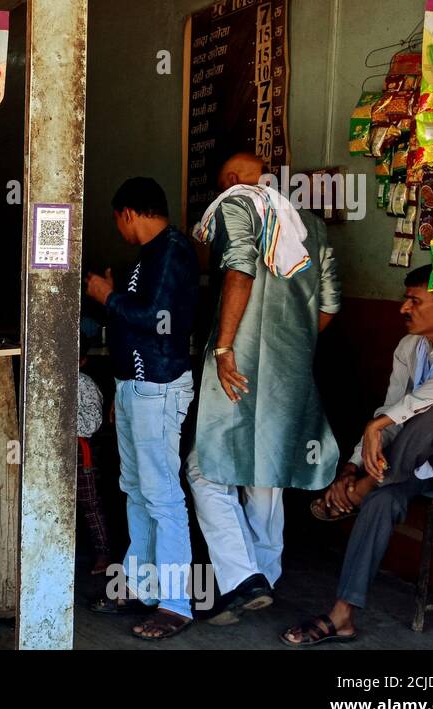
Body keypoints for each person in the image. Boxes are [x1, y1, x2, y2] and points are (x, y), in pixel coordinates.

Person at [281, 266, 433, 646]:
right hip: (420, 464)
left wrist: (372, 453)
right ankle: (342, 615)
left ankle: (366, 489)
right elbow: (389, 413)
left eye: (415, 301)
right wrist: (353, 465)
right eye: (405, 299)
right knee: (382, 502)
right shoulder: (410, 348)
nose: (403, 308)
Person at [187, 152, 342, 626]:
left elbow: (239, 270)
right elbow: (331, 304)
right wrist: (290, 347)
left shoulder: (238, 204)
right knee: (267, 477)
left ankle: (242, 577)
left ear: (232, 181)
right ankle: (263, 579)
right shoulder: (311, 225)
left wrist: (227, 347)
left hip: (239, 363)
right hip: (289, 370)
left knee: (205, 469)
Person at [84, 177, 200, 640]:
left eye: (118, 221)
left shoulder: (172, 251)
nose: (120, 230)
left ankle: (176, 602)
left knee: (163, 496)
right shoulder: (151, 255)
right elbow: (142, 313)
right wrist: (120, 388)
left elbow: (158, 319)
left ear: (128, 212)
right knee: (135, 487)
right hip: (137, 385)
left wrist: (105, 296)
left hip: (160, 383)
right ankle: (138, 584)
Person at [76, 332, 111, 577]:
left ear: (82, 361)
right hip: (51, 449)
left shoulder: (84, 384)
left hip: (80, 450)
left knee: (90, 504)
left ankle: (104, 552)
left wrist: (61, 423)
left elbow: (92, 423)